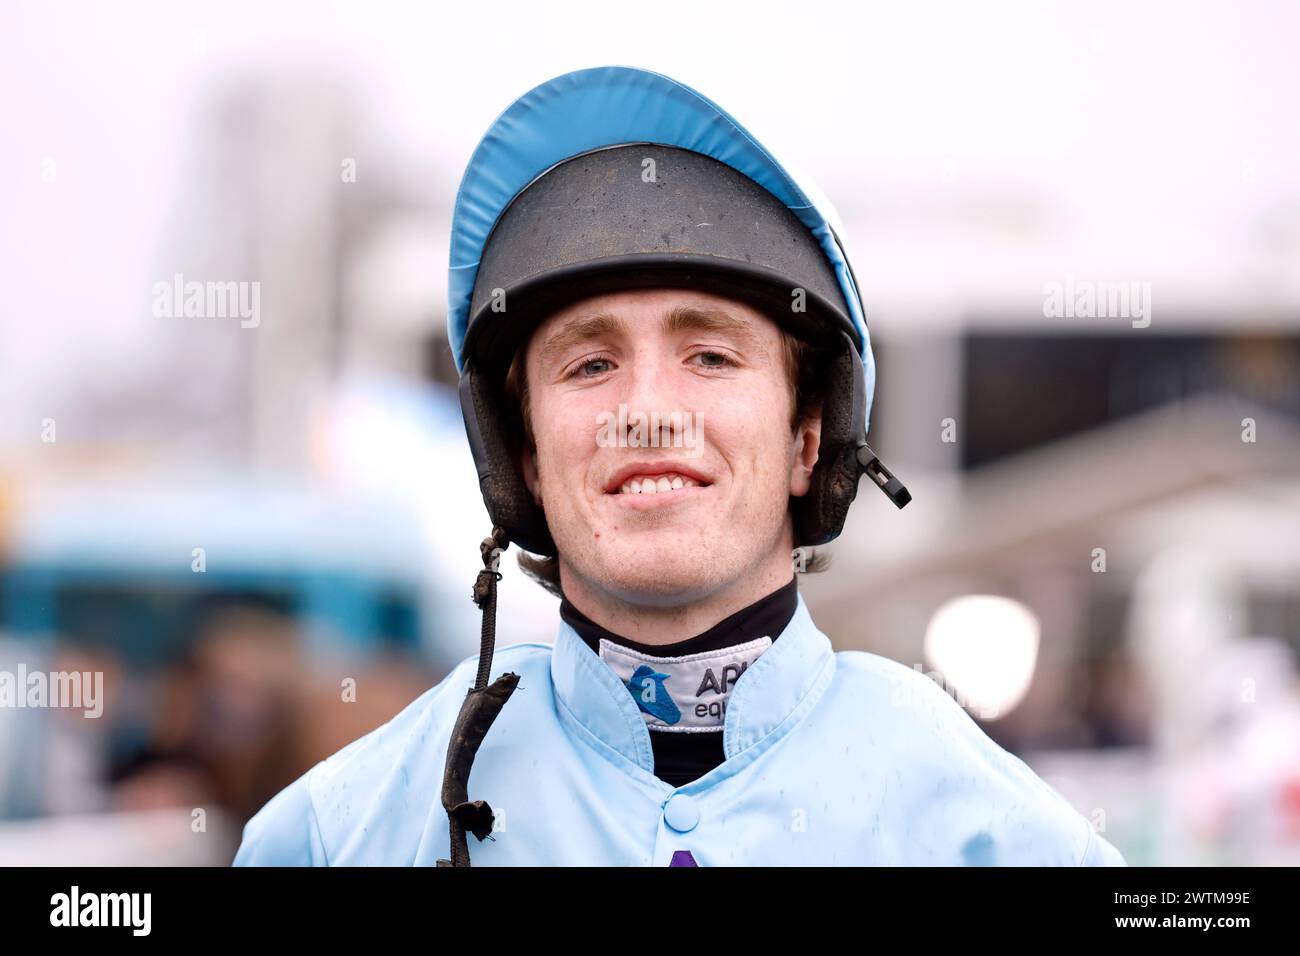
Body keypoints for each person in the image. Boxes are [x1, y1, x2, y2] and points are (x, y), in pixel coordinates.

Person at [232, 66, 1126, 866]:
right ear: (526, 458)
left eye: (710, 356)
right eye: (590, 364)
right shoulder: (337, 836)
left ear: (810, 438)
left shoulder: (1000, 837)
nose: (648, 412)